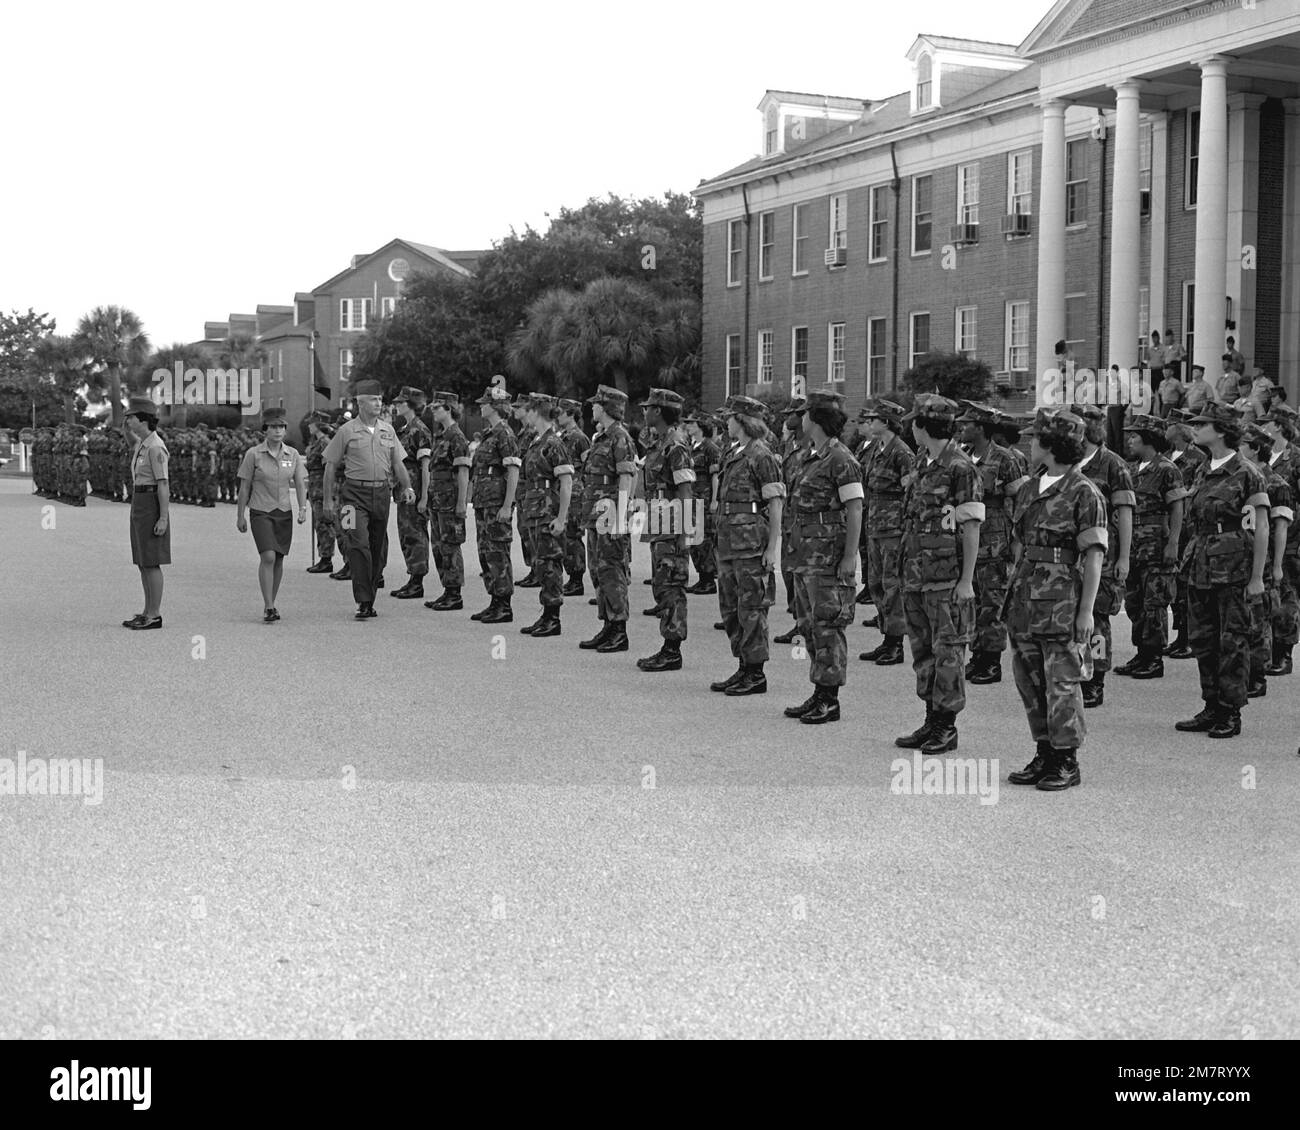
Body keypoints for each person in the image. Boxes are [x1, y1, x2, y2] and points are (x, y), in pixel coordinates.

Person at [1004, 409, 1107, 792]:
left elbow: (1094, 556)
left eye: (1035, 439)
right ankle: (1044, 751)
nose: (1029, 444)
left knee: (1061, 681)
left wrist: (1086, 612)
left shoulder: (1084, 492)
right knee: (1030, 680)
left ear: (1050, 446)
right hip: (1026, 597)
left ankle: (1066, 759)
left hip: (1062, 599)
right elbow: (1020, 544)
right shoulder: (1030, 488)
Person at [893, 394, 983, 754]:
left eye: (914, 422)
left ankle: (947, 725)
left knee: (948, 652)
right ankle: (931, 719)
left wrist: (966, 581)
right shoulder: (924, 462)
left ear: (922, 427)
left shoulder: (960, 468)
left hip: (946, 577)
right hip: (916, 573)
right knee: (924, 650)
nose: (911, 428)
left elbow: (971, 527)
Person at [1174, 403, 1270, 738]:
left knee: (1233, 640)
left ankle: (1231, 711)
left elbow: (1261, 527)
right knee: (1203, 639)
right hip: (1200, 562)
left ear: (1221, 430)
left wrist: (1257, 577)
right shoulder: (1203, 467)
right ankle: (1211, 705)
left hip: (1233, 566)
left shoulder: (1247, 472)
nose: (1195, 428)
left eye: (1202, 424)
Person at [782, 390, 863, 724]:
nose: (799, 418)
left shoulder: (842, 459)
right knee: (809, 624)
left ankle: (830, 698)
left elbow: (855, 509)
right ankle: (818, 691)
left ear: (814, 418)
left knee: (828, 624)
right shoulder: (809, 455)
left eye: (804, 413)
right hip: (805, 552)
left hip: (828, 554)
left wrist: (849, 557)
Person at [321, 380, 416, 620]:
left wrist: (408, 487)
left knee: (378, 548)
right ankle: (363, 600)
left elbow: (398, 463)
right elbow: (330, 466)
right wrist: (328, 501)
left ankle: (369, 596)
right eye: (373, 400)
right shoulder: (346, 431)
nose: (379, 403)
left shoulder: (388, 430)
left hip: (381, 495)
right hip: (353, 497)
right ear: (360, 403)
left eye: (380, 400)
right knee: (357, 543)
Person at [709, 395, 784, 696]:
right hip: (729, 541)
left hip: (752, 542)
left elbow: (775, 503)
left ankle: (755, 672)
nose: (725, 422)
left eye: (730, 417)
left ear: (742, 421)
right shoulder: (733, 452)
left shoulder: (761, 454)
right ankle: (743, 665)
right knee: (730, 607)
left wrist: (771, 549)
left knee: (752, 608)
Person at [959, 402, 1028, 684]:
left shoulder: (1005, 459)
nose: (961, 428)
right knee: (972, 600)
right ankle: (977, 654)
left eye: (967, 424)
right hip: (967, 539)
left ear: (981, 429)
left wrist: (1017, 541)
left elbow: (1022, 501)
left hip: (995, 539)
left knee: (993, 602)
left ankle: (991, 661)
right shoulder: (963, 457)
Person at [1114, 414, 1185, 678]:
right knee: (1135, 602)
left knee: (1154, 603)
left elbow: (1177, 507)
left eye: (1135, 435)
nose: (1130, 439)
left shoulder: (1167, 469)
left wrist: (1173, 543)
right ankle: (1141, 653)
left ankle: (1154, 658)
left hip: (1157, 545)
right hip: (1134, 546)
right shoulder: (1132, 470)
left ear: (1149, 439)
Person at [1074, 404, 1135, 708]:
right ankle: (1076, 671)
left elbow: (1124, 513)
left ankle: (1095, 680)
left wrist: (1124, 557)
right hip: (1072, 555)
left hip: (1102, 555)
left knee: (1097, 619)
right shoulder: (1068, 461)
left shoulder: (1113, 465)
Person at [636, 388, 695, 671]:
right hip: (660, 518)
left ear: (658, 411)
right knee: (662, 583)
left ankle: (672, 650)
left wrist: (686, 532)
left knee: (671, 585)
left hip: (672, 522)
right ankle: (668, 645)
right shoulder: (659, 442)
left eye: (648, 408)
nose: (644, 412)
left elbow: (685, 491)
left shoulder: (676, 445)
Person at [235, 407, 308, 622]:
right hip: (260, 511)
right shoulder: (253, 454)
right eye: (273, 427)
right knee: (267, 555)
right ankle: (268, 605)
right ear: (265, 430)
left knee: (278, 559)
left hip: (283, 511)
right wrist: (240, 515)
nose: (278, 431)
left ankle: (272, 602)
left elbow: (300, 484)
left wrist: (303, 508)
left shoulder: (292, 454)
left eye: (281, 427)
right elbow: (244, 487)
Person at [579, 386, 637, 653]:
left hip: (610, 512)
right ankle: (607, 625)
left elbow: (627, 477)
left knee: (612, 570)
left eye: (596, 404)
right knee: (598, 570)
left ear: (606, 408)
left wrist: (622, 516)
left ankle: (619, 629)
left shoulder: (620, 438)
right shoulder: (601, 437)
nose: (592, 408)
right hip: (596, 513)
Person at [1240, 423, 1292, 698]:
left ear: (1256, 449)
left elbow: (1280, 529)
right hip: (1238, 558)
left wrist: (1277, 566)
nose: (1239, 448)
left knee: (1257, 622)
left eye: (1244, 444)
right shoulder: (1240, 477)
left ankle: (1257, 678)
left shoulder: (1276, 484)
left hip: (1264, 557)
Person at [857, 398, 911, 665]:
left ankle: (896, 643)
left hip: (893, 527)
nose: (870, 422)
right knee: (876, 582)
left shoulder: (901, 453)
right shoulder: (878, 449)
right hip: (876, 524)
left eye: (875, 419)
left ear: (886, 423)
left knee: (893, 585)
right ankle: (886, 637)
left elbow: (909, 492)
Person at [518, 393, 574, 638]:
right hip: (534, 509)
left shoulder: (554, 443)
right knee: (541, 562)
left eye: (528, 410)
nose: (525, 415)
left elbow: (566, 482)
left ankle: (554, 617)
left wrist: (561, 518)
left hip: (547, 509)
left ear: (535, 412)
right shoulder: (537, 441)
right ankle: (546, 613)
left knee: (550, 563)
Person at [468, 385, 521, 624]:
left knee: (498, 553)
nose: (481, 405)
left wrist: (508, 505)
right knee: (486, 553)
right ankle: (494, 601)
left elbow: (512, 471)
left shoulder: (505, 434)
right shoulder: (491, 433)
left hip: (496, 503)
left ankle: (504, 604)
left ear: (495, 407)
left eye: (484, 403)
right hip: (484, 503)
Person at [122, 396, 171, 630]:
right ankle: (146, 610)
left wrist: (163, 517)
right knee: (143, 561)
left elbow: (163, 483)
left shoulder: (155, 447)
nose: (128, 421)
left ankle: (155, 615)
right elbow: (129, 440)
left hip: (151, 502)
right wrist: (125, 429)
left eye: (130, 417)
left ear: (143, 420)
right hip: (140, 500)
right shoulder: (143, 443)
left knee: (151, 561)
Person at [1258, 402, 1300, 675]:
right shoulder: (1263, 458)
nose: (1263, 427)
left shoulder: (1295, 459)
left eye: (1267, 423)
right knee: (1266, 595)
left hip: (1290, 537)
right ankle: (1266, 648)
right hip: (1263, 538)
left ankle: (1284, 653)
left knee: (1286, 595)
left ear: (1279, 427)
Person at [422, 390, 472, 611]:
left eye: (437, 407)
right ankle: (447, 589)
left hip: (450, 500)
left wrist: (462, 502)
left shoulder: (456, 437)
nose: (433, 410)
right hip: (437, 500)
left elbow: (463, 472)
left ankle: (455, 593)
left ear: (449, 409)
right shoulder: (440, 435)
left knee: (450, 545)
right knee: (439, 545)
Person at [389, 387, 433, 600]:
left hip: (413, 491)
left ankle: (417, 581)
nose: (397, 406)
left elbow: (426, 466)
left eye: (401, 403)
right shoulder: (406, 429)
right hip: (403, 491)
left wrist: (424, 496)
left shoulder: (419, 430)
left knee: (415, 533)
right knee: (406, 533)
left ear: (411, 405)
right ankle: (412, 577)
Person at [773, 401, 809, 646]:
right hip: (789, 519)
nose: (786, 419)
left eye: (791, 415)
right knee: (789, 572)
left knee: (803, 575)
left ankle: (807, 625)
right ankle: (799, 621)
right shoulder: (789, 444)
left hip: (805, 522)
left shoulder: (812, 445)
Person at [556, 399, 591, 596]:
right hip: (566, 489)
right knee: (566, 535)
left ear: (571, 415)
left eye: (561, 412)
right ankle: (571, 575)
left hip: (576, 491)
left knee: (573, 534)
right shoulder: (562, 436)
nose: (557, 415)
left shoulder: (580, 438)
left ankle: (577, 578)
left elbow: (588, 465)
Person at [684, 410, 721, 596]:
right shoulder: (691, 447)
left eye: (692, 423)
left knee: (704, 540)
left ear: (701, 426)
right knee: (694, 539)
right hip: (693, 498)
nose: (688, 426)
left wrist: (715, 500)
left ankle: (708, 579)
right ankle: (701, 576)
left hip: (704, 499)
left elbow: (715, 476)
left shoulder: (710, 448)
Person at [304, 412, 337, 573]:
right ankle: (323, 556)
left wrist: (327, 493)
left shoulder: (324, 443)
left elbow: (328, 468)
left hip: (321, 488)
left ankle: (326, 558)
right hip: (314, 488)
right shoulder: (315, 442)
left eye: (311, 423)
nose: (309, 426)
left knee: (324, 524)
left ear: (319, 424)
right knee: (319, 523)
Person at [512, 397, 539, 588]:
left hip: (530, 489)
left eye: (518, 407)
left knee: (532, 532)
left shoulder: (532, 433)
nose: (514, 409)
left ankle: (538, 570)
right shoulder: (522, 433)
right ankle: (533, 568)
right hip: (521, 489)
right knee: (524, 531)